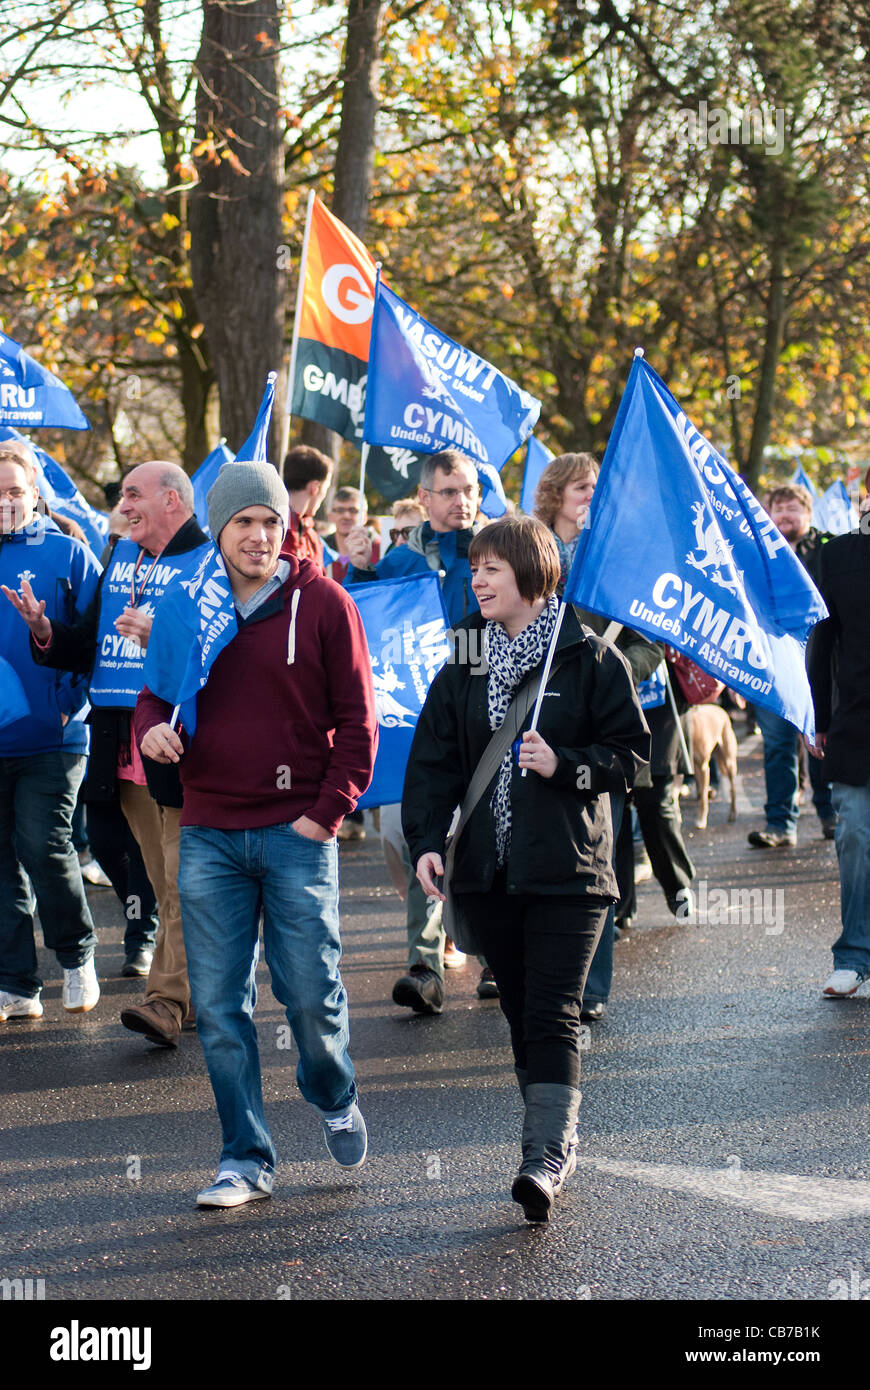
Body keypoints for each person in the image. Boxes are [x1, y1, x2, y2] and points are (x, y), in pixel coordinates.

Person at [134, 461, 378, 1207]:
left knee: (309, 994)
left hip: (296, 832)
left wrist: (323, 814)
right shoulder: (187, 605)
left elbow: (359, 725)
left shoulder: (327, 604)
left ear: (286, 526)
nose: (260, 535)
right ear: (219, 526)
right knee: (219, 1008)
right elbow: (152, 699)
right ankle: (245, 1158)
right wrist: (150, 735)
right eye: (244, 521)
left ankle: (333, 1092)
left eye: (271, 521)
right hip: (208, 830)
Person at [402, 516, 649, 1222]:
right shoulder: (465, 660)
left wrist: (566, 766)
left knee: (552, 1011)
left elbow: (633, 759)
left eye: (491, 570)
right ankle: (558, 1132)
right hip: (489, 875)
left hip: (571, 874)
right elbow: (434, 763)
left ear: (533, 577)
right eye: (474, 568)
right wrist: (425, 840)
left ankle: (542, 1155)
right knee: (519, 1010)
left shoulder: (592, 658)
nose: (477, 580)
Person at [16, 461, 210, 1046]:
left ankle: (166, 1002)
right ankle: (204, 987)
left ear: (172, 501)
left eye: (133, 494)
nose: (121, 504)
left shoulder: (207, 562)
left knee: (181, 883)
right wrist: (45, 629)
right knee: (157, 877)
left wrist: (164, 639)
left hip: (176, 744)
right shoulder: (121, 558)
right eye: (122, 494)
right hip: (119, 748)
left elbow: (222, 654)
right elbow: (90, 648)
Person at [345, 448, 492, 1010]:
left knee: (486, 840)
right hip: (422, 723)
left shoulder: (497, 551)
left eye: (470, 490)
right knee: (417, 841)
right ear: (425, 498)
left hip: (490, 718)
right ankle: (424, 968)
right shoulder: (404, 561)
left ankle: (492, 961)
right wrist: (360, 568)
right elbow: (368, 619)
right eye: (450, 491)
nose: (463, 501)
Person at [0, 439, 102, 1021]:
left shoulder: (69, 556)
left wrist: (71, 702)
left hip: (54, 736)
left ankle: (76, 956)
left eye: (16, 490)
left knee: (41, 843)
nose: (7, 502)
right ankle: (16, 981)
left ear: (35, 491)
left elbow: (93, 643)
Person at [807, 501, 870, 998]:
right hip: (856, 723)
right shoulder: (836, 556)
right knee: (855, 837)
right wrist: (820, 719)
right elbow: (821, 642)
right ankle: (853, 956)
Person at [748, 484, 834, 848]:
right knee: (779, 744)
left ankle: (829, 814)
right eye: (778, 508)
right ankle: (781, 824)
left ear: (808, 514)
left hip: (820, 662)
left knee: (820, 738)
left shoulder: (829, 549)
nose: (784, 515)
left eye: (792, 508)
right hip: (774, 663)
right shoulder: (757, 550)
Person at [280, 444, 332, 571]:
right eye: (325, 490)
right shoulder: (272, 530)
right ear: (314, 488)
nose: (323, 496)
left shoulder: (312, 537)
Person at [323, 486, 380, 584]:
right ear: (330, 516)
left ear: (364, 517)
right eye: (340, 510)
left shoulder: (380, 548)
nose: (346, 516)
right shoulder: (321, 548)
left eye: (353, 510)